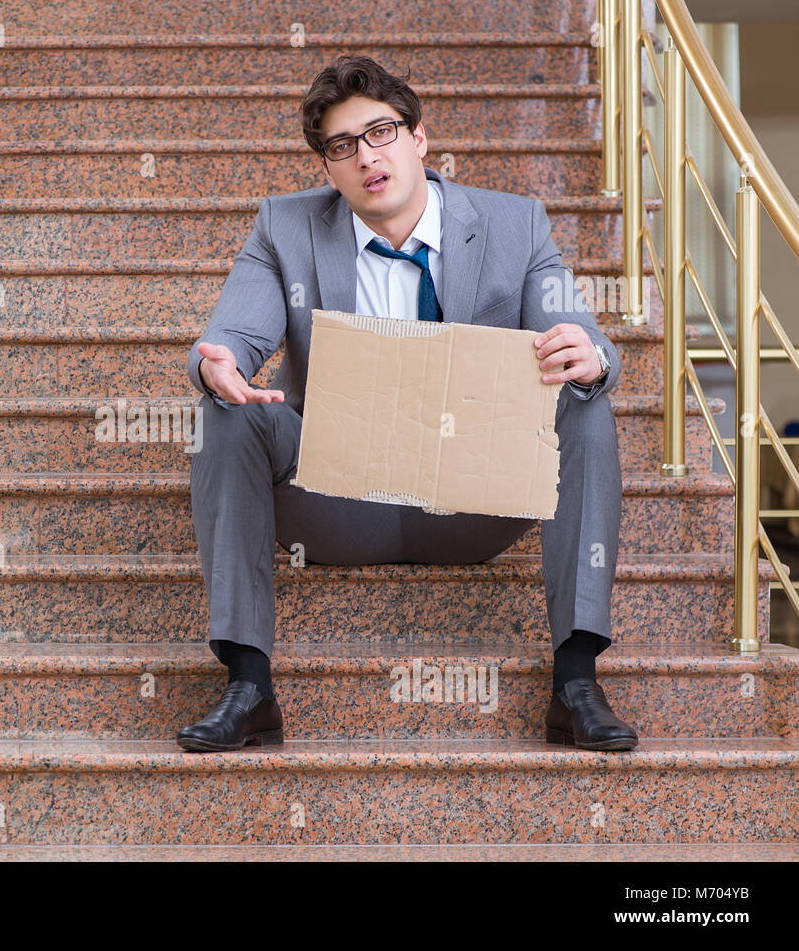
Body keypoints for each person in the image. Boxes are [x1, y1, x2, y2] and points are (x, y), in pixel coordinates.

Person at [177, 55, 638, 753]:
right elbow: (230, 339)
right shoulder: (283, 227)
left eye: (381, 132)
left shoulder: (515, 226)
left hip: (475, 501)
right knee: (227, 411)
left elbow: (582, 336)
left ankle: (575, 681)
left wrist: (594, 356)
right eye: (342, 146)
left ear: (419, 137)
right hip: (337, 499)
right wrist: (217, 366)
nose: (366, 156)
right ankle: (249, 686)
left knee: (582, 398)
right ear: (327, 169)